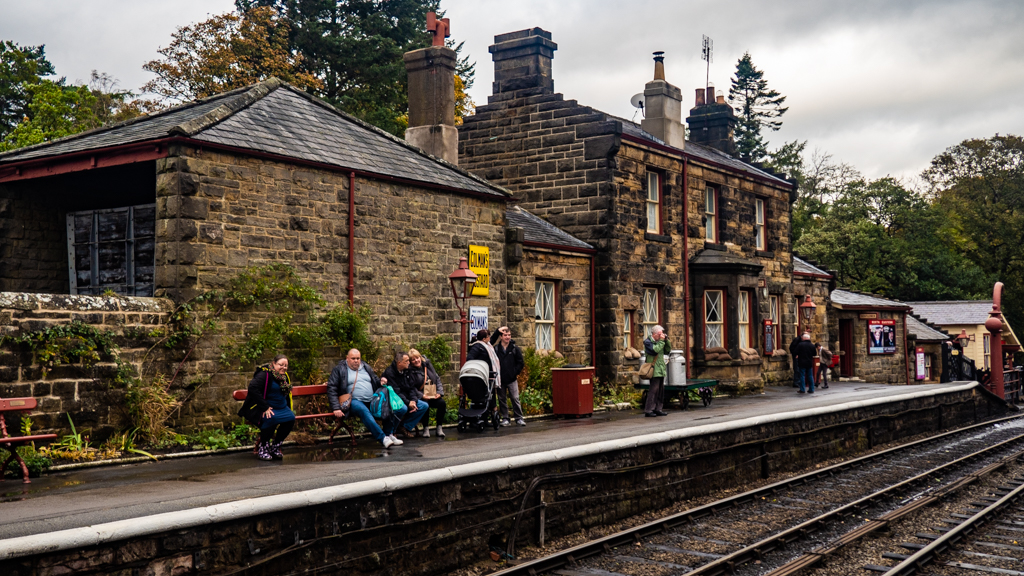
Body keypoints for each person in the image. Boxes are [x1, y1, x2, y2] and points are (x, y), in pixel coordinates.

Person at [326, 348, 407, 449]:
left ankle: (389, 434)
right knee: (363, 410)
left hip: (371, 399)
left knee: (390, 406)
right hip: (353, 401)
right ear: (347, 359)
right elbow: (332, 388)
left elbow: (375, 380)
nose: (356, 361)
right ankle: (382, 438)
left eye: (358, 358)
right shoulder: (340, 369)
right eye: (353, 358)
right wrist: (336, 408)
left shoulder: (365, 367)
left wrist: (380, 381)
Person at [238, 355, 296, 461]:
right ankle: (263, 448)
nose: (284, 367)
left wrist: (288, 407)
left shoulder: (284, 376)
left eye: (286, 365)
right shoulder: (264, 374)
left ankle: (275, 446)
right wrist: (265, 407)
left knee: (291, 418)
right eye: (281, 365)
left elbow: (286, 394)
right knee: (271, 418)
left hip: (282, 407)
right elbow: (253, 388)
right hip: (265, 408)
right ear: (273, 363)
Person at [382, 351, 429, 439]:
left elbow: (412, 387)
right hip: (394, 399)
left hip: (407, 398)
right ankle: (393, 431)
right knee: (403, 408)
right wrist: (408, 403)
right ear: (399, 363)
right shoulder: (390, 373)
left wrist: (413, 401)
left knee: (424, 406)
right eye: (406, 361)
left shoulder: (407, 370)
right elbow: (396, 392)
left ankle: (404, 427)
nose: (409, 362)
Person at [490, 326, 526, 426]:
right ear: (501, 337)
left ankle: (519, 418)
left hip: (512, 378)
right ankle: (505, 418)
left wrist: (515, 372)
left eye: (509, 335)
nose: (507, 337)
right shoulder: (496, 349)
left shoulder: (514, 349)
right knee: (502, 399)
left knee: (515, 398)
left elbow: (520, 363)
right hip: (500, 379)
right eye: (505, 335)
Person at [408, 348, 446, 438]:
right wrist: (422, 395)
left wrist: (439, 392)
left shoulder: (427, 365)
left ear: (420, 357)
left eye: (417, 358)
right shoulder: (410, 371)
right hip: (420, 396)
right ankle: (426, 428)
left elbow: (437, 379)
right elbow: (411, 388)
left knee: (442, 403)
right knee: (426, 405)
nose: (416, 360)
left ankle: (439, 427)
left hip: (432, 393)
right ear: (410, 362)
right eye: (413, 359)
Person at [643, 325, 671, 417]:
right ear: (654, 334)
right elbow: (655, 350)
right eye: (660, 334)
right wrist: (662, 341)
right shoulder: (647, 342)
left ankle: (658, 408)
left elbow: (667, 351)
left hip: (660, 368)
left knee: (660, 390)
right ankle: (649, 410)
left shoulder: (661, 342)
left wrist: (666, 341)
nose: (661, 335)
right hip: (653, 368)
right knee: (653, 390)